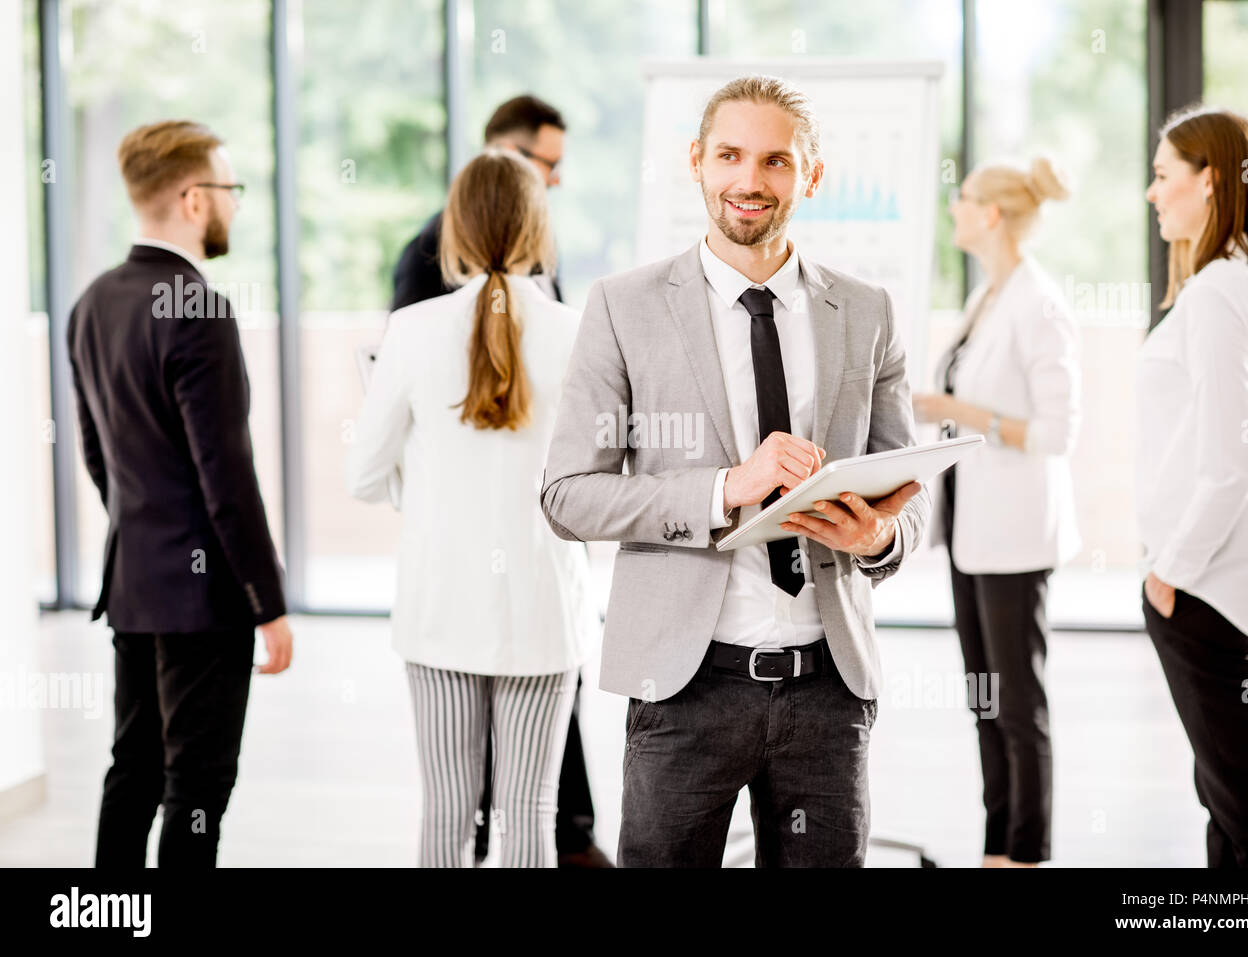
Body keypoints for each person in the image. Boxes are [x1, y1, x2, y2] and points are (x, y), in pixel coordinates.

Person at [541, 75, 929, 868]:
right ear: (697, 162)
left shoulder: (867, 311)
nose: (750, 181)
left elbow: (907, 493)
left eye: (776, 162)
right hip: (686, 691)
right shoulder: (624, 306)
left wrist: (880, 534)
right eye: (730, 155)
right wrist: (726, 488)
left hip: (830, 692)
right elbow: (567, 495)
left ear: (811, 176)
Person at [346, 150, 599, 867]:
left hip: (438, 610)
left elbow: (363, 474)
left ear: (452, 229)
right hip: (546, 608)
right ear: (539, 232)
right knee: (531, 815)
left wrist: (424, 490)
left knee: (447, 815)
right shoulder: (578, 331)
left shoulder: (412, 330)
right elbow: (600, 481)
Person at [67, 120, 293, 868]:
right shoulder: (199, 310)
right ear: (194, 199)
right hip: (203, 604)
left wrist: (148, 534)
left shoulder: (93, 302)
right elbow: (226, 477)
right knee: (194, 792)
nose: (236, 204)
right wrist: (269, 602)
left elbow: (101, 458)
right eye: (231, 189)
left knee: (130, 770)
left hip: (134, 582)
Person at [1139, 105, 1248, 866]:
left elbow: (1233, 460)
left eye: (1164, 175)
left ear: (1208, 182)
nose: (1151, 193)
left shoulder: (1214, 295)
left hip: (1206, 590)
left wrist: (1170, 571)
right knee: (1231, 803)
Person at [913, 157, 1080, 868]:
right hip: (970, 532)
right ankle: (995, 850)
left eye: (966, 198)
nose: (954, 206)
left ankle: (1026, 850)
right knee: (985, 699)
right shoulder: (989, 297)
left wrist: (957, 411)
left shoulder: (1040, 302)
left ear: (994, 214)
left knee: (1017, 704)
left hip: (1015, 534)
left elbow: (1057, 431)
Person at [390, 95, 566, 310]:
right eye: (552, 164)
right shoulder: (427, 253)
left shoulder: (541, 240)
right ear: (510, 155)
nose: (557, 180)